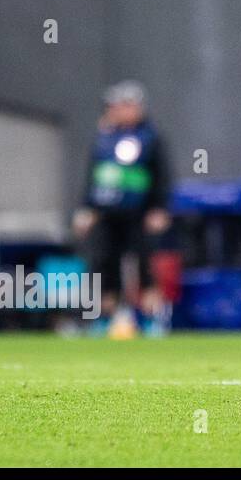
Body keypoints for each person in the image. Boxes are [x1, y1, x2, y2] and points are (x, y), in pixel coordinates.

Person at [72, 80, 173, 336]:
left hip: (138, 212)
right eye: (115, 106)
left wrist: (159, 208)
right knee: (104, 263)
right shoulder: (104, 136)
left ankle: (152, 319)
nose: (119, 111)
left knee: (144, 265)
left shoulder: (150, 136)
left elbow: (162, 174)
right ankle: (106, 318)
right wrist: (87, 209)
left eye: (125, 106)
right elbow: (94, 176)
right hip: (107, 213)